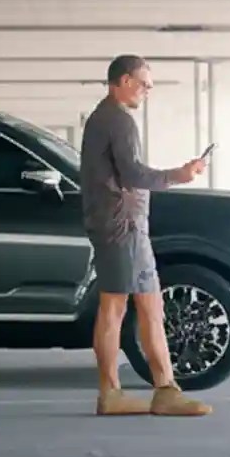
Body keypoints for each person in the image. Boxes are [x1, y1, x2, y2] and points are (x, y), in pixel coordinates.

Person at [79, 54, 212, 416]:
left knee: (147, 305)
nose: (148, 90)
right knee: (116, 306)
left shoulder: (102, 119)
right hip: (122, 226)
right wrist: (178, 175)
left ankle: (161, 388)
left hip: (123, 225)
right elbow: (133, 174)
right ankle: (118, 392)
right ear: (123, 81)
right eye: (143, 83)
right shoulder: (118, 120)